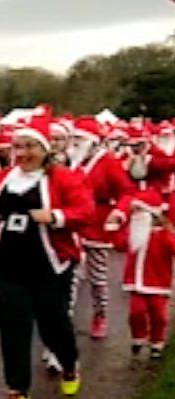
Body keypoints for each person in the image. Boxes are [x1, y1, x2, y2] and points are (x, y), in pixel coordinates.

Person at [0, 115, 94, 399]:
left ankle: (69, 363)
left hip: (49, 265)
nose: (24, 153)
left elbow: (85, 210)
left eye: (30, 146)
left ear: (44, 150)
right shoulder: (3, 178)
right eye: (18, 146)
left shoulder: (63, 178)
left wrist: (55, 216)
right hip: (8, 263)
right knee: (13, 329)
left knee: (53, 325)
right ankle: (18, 393)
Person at [67, 116, 136, 339]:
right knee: (70, 276)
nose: (75, 143)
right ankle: (63, 320)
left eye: (80, 139)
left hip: (98, 223)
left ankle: (100, 315)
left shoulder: (107, 162)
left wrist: (120, 212)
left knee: (97, 277)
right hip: (72, 224)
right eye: (73, 139)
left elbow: (127, 191)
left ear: (92, 141)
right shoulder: (69, 161)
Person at [115, 189, 175, 359]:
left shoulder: (164, 236)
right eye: (134, 211)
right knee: (136, 312)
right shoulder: (132, 232)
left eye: (139, 211)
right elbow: (119, 245)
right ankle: (138, 337)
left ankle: (157, 342)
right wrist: (116, 229)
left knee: (159, 315)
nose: (135, 215)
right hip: (135, 282)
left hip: (158, 283)